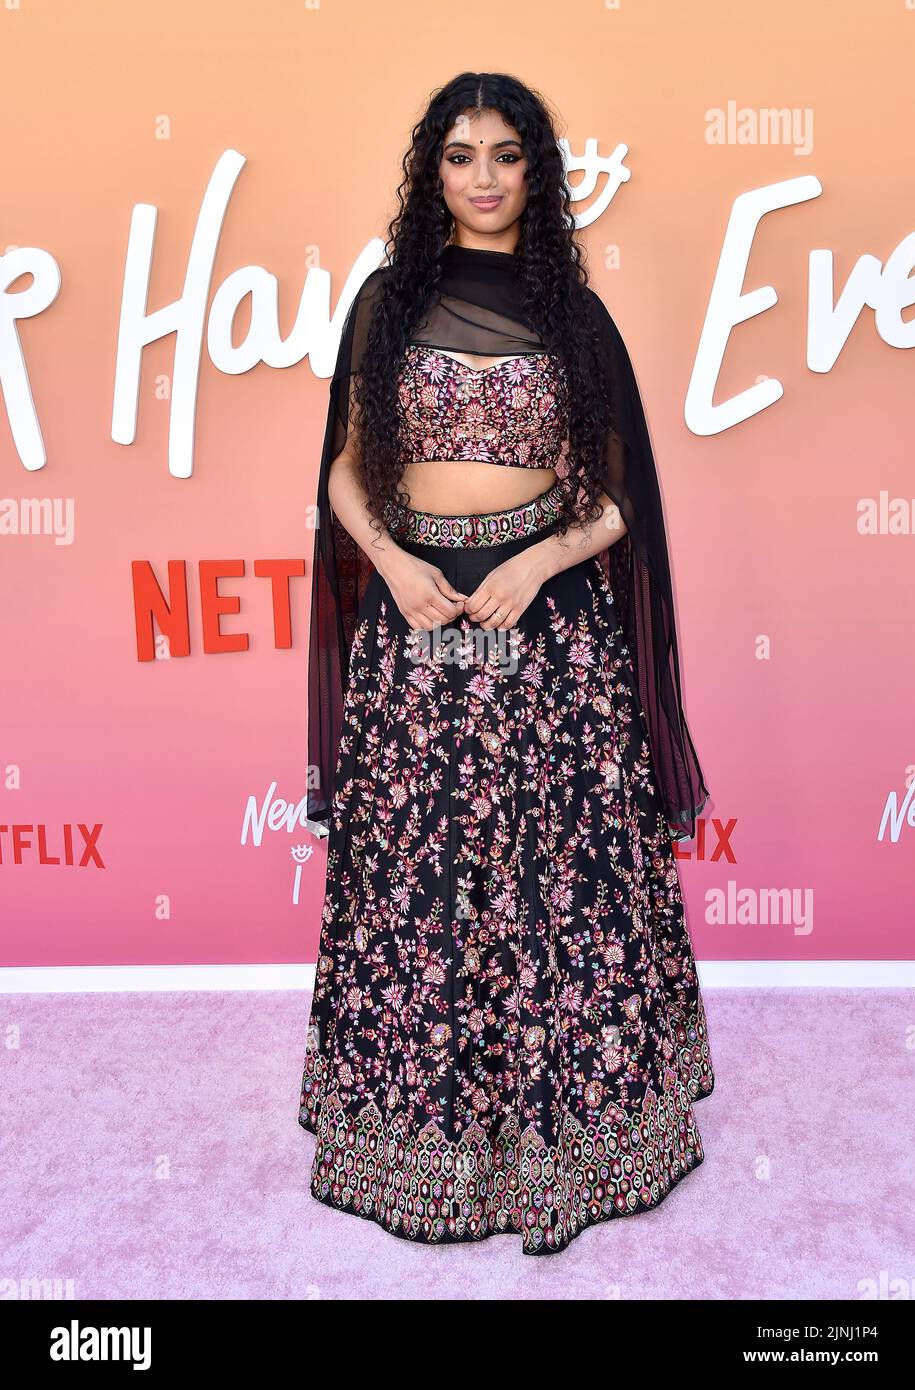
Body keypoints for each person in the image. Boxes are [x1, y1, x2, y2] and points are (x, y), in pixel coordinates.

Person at [298, 72, 714, 1256]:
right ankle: (418, 1150)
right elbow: (343, 467)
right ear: (432, 175)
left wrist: (539, 564)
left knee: (558, 889)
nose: (484, 178)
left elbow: (621, 497)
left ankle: (577, 1148)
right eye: (461, 156)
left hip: (545, 636)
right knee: (416, 895)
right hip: (419, 625)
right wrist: (385, 560)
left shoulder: (575, 318)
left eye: (506, 156)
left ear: (538, 172)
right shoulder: (386, 302)